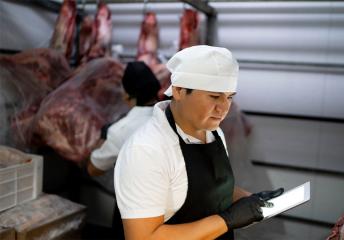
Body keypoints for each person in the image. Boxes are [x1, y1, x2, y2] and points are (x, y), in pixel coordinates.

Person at [114, 45, 283, 240]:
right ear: (178, 90)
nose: (223, 108)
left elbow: (205, 189)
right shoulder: (146, 150)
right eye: (214, 96)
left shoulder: (214, 133)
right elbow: (142, 237)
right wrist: (226, 220)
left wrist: (249, 201)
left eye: (229, 97)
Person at [87, 61, 161, 178]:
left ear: (126, 95)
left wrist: (103, 138)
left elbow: (94, 169)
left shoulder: (121, 130)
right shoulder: (172, 114)